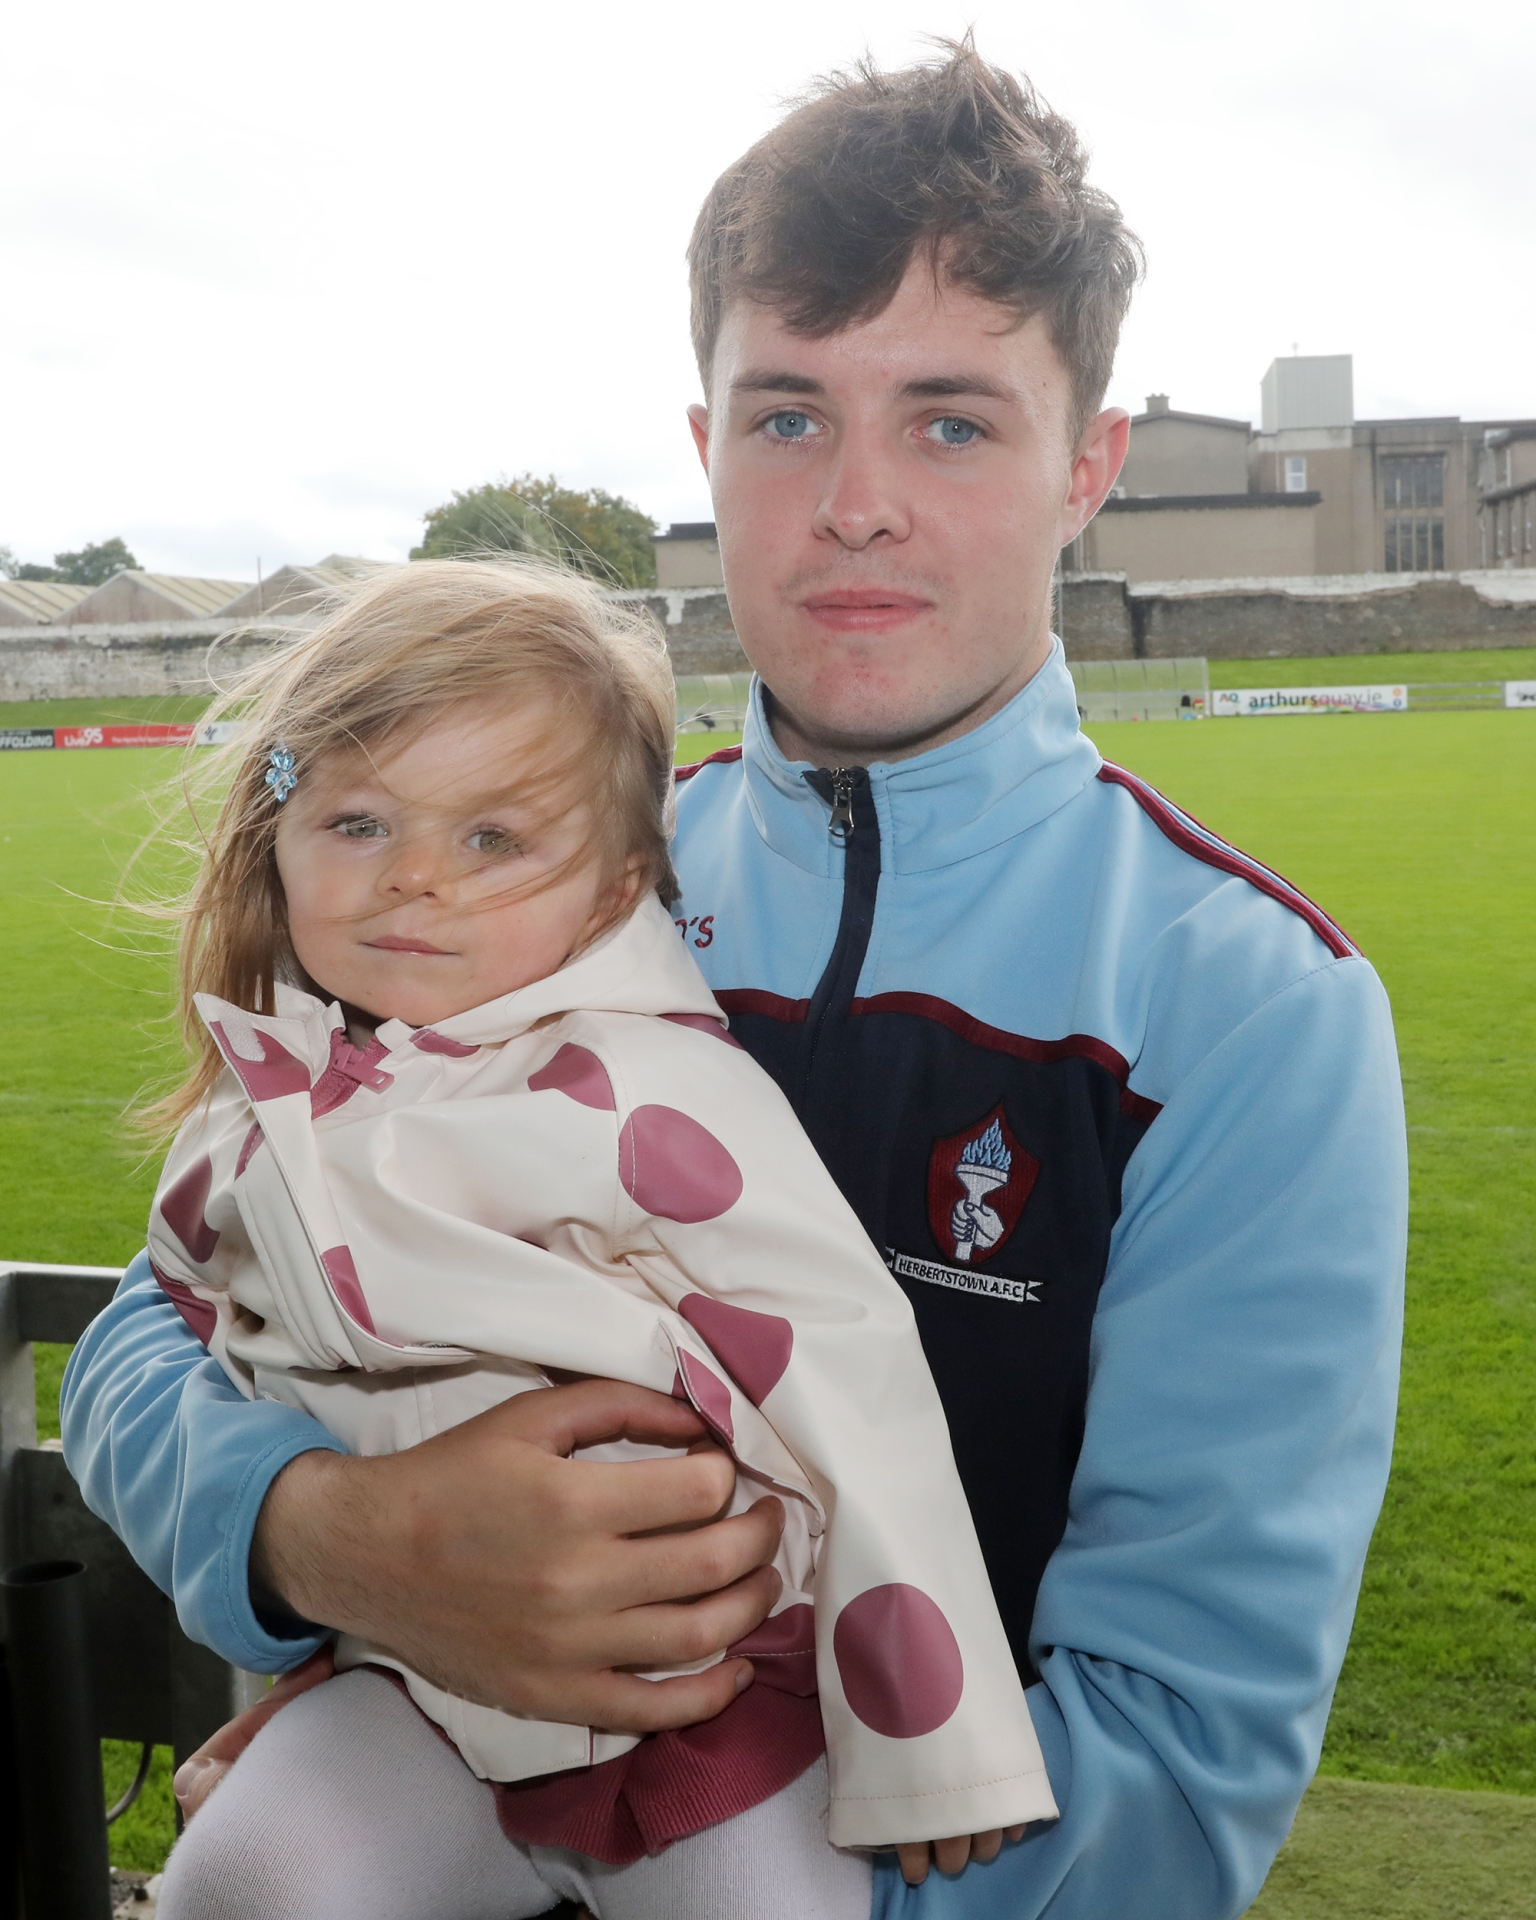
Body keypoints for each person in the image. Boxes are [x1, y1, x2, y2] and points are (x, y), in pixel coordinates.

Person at [62, 43, 1407, 1920]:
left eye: (950, 420)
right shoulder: (496, 869)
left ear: (1090, 466)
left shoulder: (1244, 1005)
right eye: (788, 416)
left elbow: (1178, 1759)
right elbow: (152, 1329)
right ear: (700, 447)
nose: (856, 500)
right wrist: (333, 1545)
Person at [130, 557, 1052, 1917]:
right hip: (420, 1688)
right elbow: (174, 1322)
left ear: (620, 887)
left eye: (494, 839)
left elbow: (849, 1374)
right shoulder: (277, 1087)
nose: (416, 883)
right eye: (359, 823)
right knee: (250, 1878)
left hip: (712, 1707)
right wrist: (313, 1571)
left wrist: (937, 1737)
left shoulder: (646, 1097)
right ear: (275, 834)